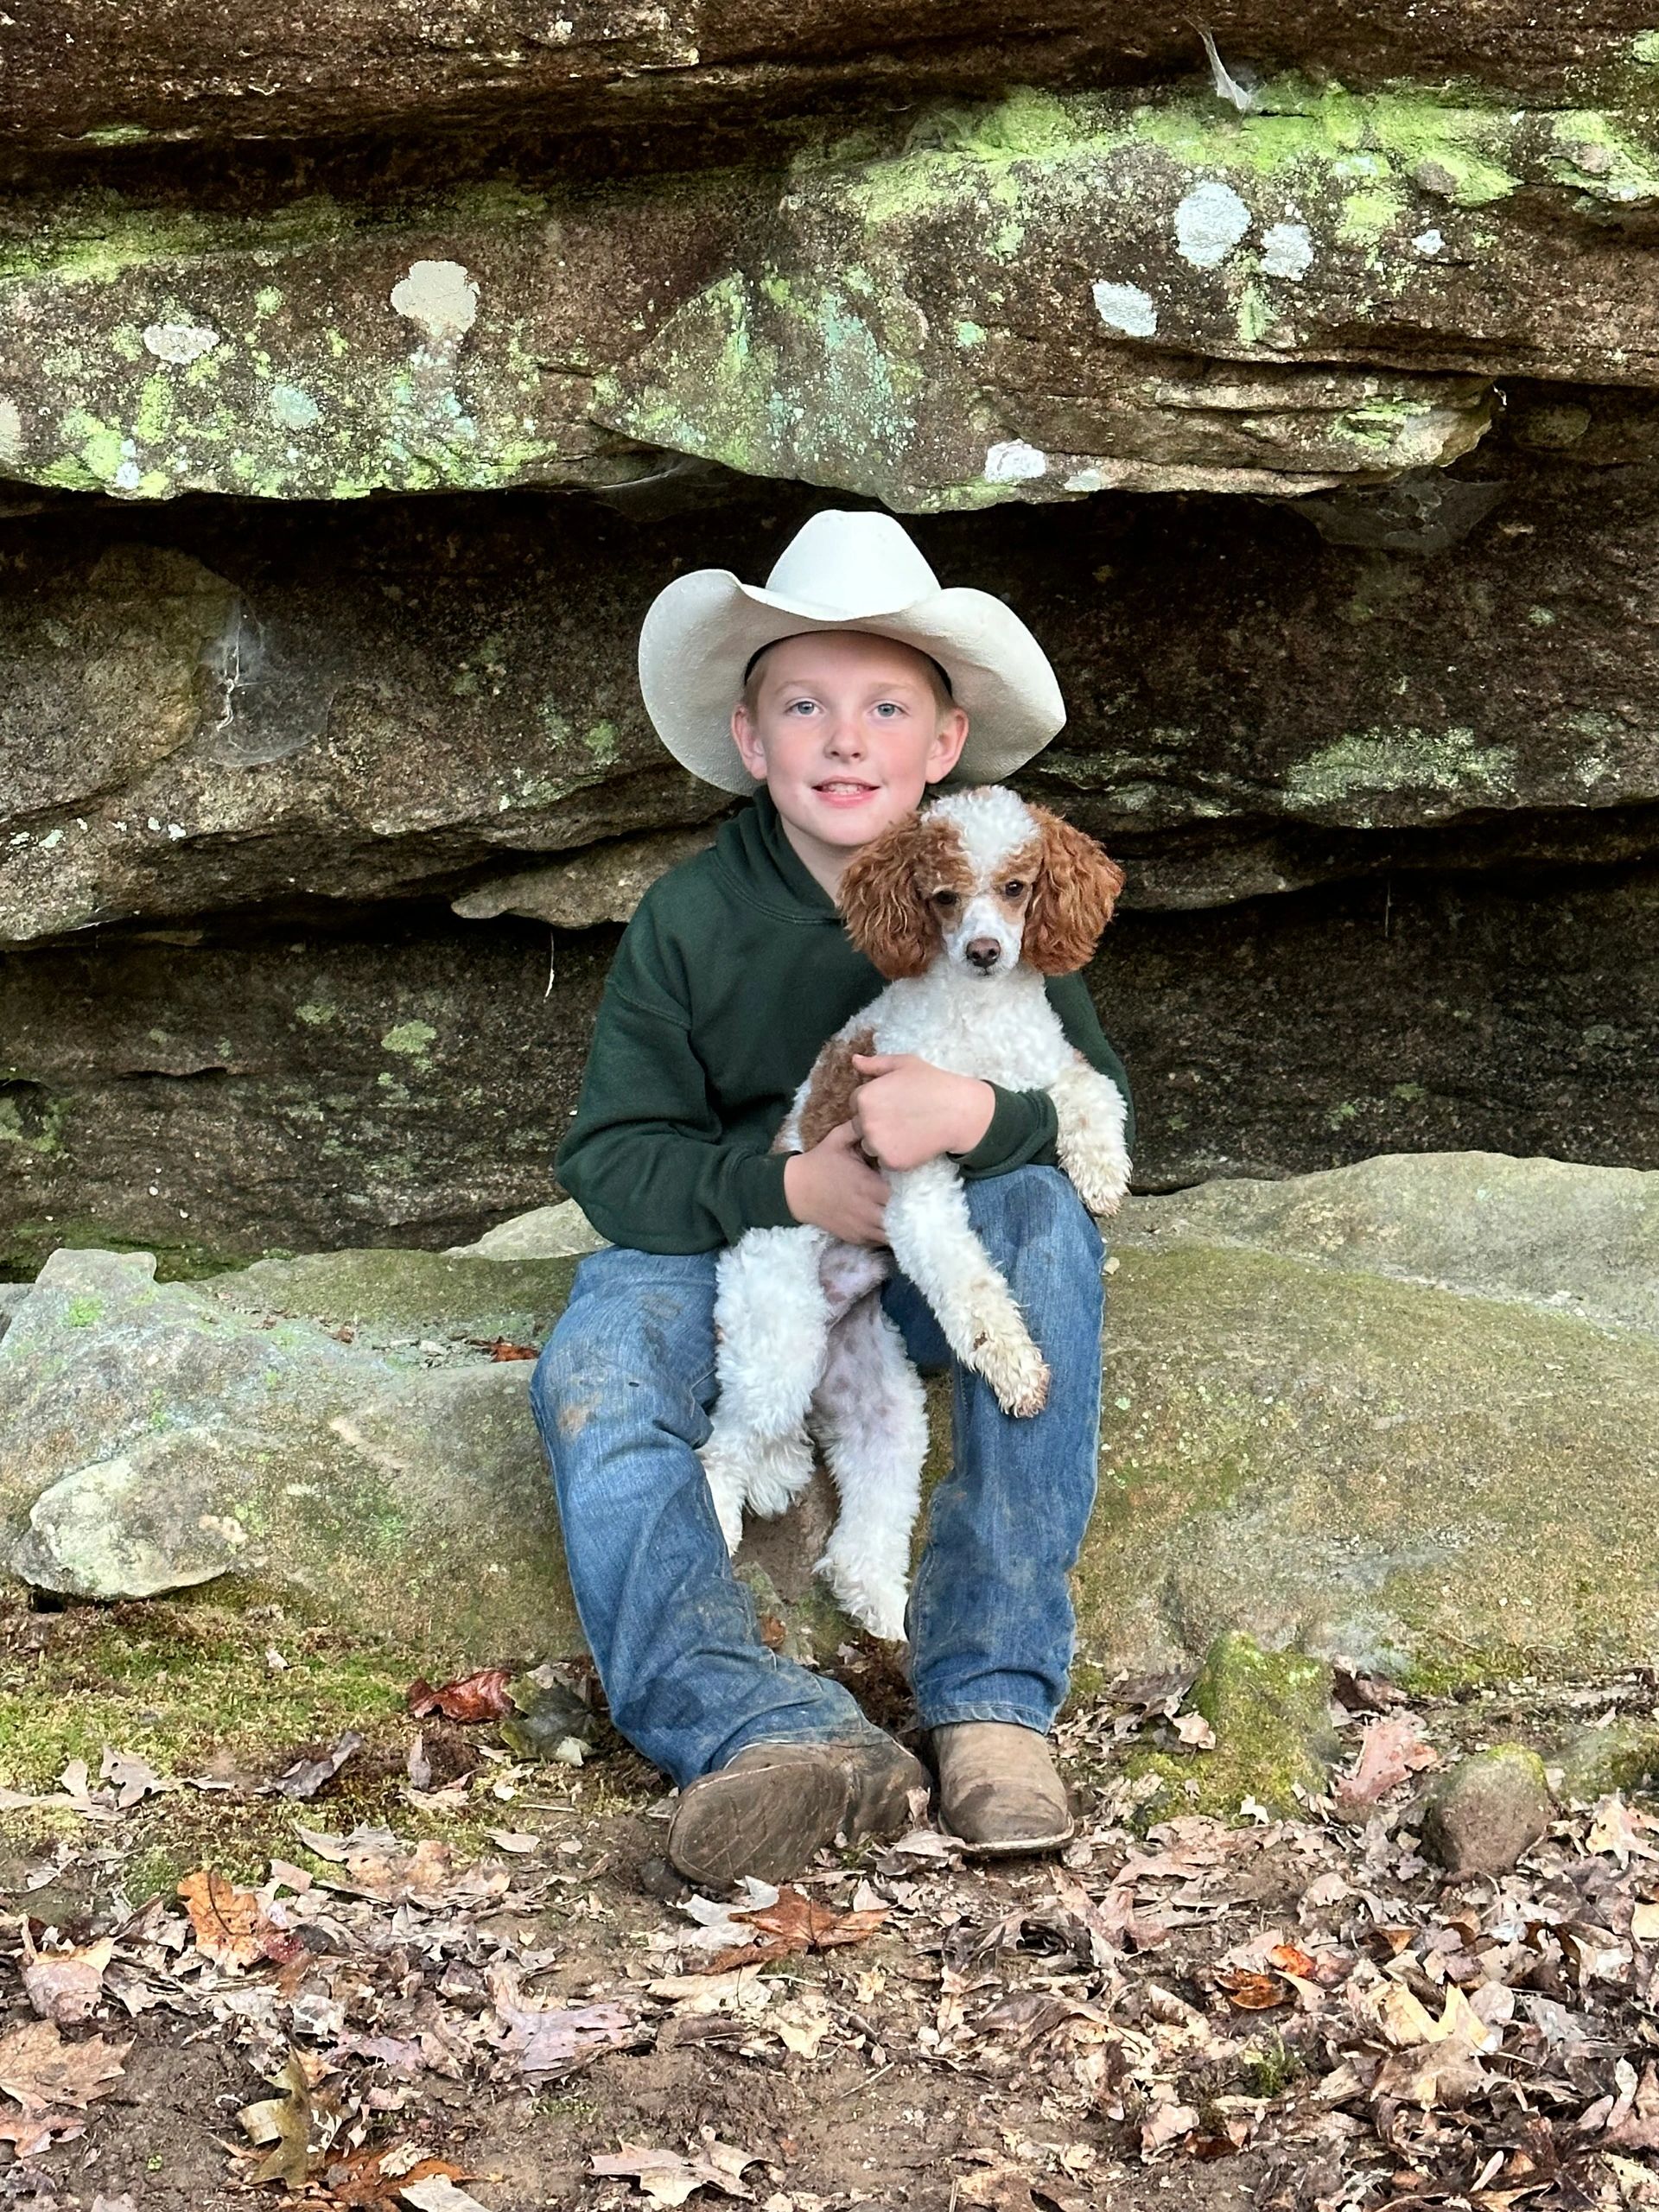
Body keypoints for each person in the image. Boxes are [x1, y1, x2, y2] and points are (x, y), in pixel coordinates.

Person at [530, 508, 1133, 1887]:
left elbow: (1080, 1098)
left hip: (939, 1250)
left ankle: (991, 1702)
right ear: (753, 741)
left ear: (941, 745)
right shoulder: (689, 917)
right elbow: (611, 1158)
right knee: (600, 1360)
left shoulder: (994, 908)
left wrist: (984, 1119)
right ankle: (754, 1727)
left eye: (883, 708)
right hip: (738, 1241)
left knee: (1044, 1227)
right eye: (805, 705)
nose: (844, 739)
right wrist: (789, 1180)